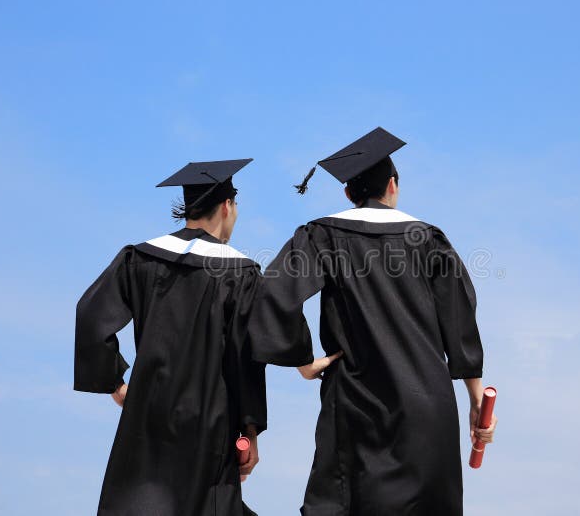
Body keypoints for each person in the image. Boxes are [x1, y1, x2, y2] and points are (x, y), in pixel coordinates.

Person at [249, 128, 497, 516]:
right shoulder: (429, 239)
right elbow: (459, 318)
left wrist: (302, 359)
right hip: (427, 408)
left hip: (356, 406)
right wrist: (475, 394)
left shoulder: (322, 235)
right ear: (393, 186)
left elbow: (272, 295)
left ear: (349, 194)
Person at [74, 159, 265, 515]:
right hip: (210, 423)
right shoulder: (242, 273)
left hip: (148, 416)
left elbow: (90, 315)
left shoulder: (141, 258)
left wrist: (116, 384)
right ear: (227, 206)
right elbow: (245, 358)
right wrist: (249, 430)